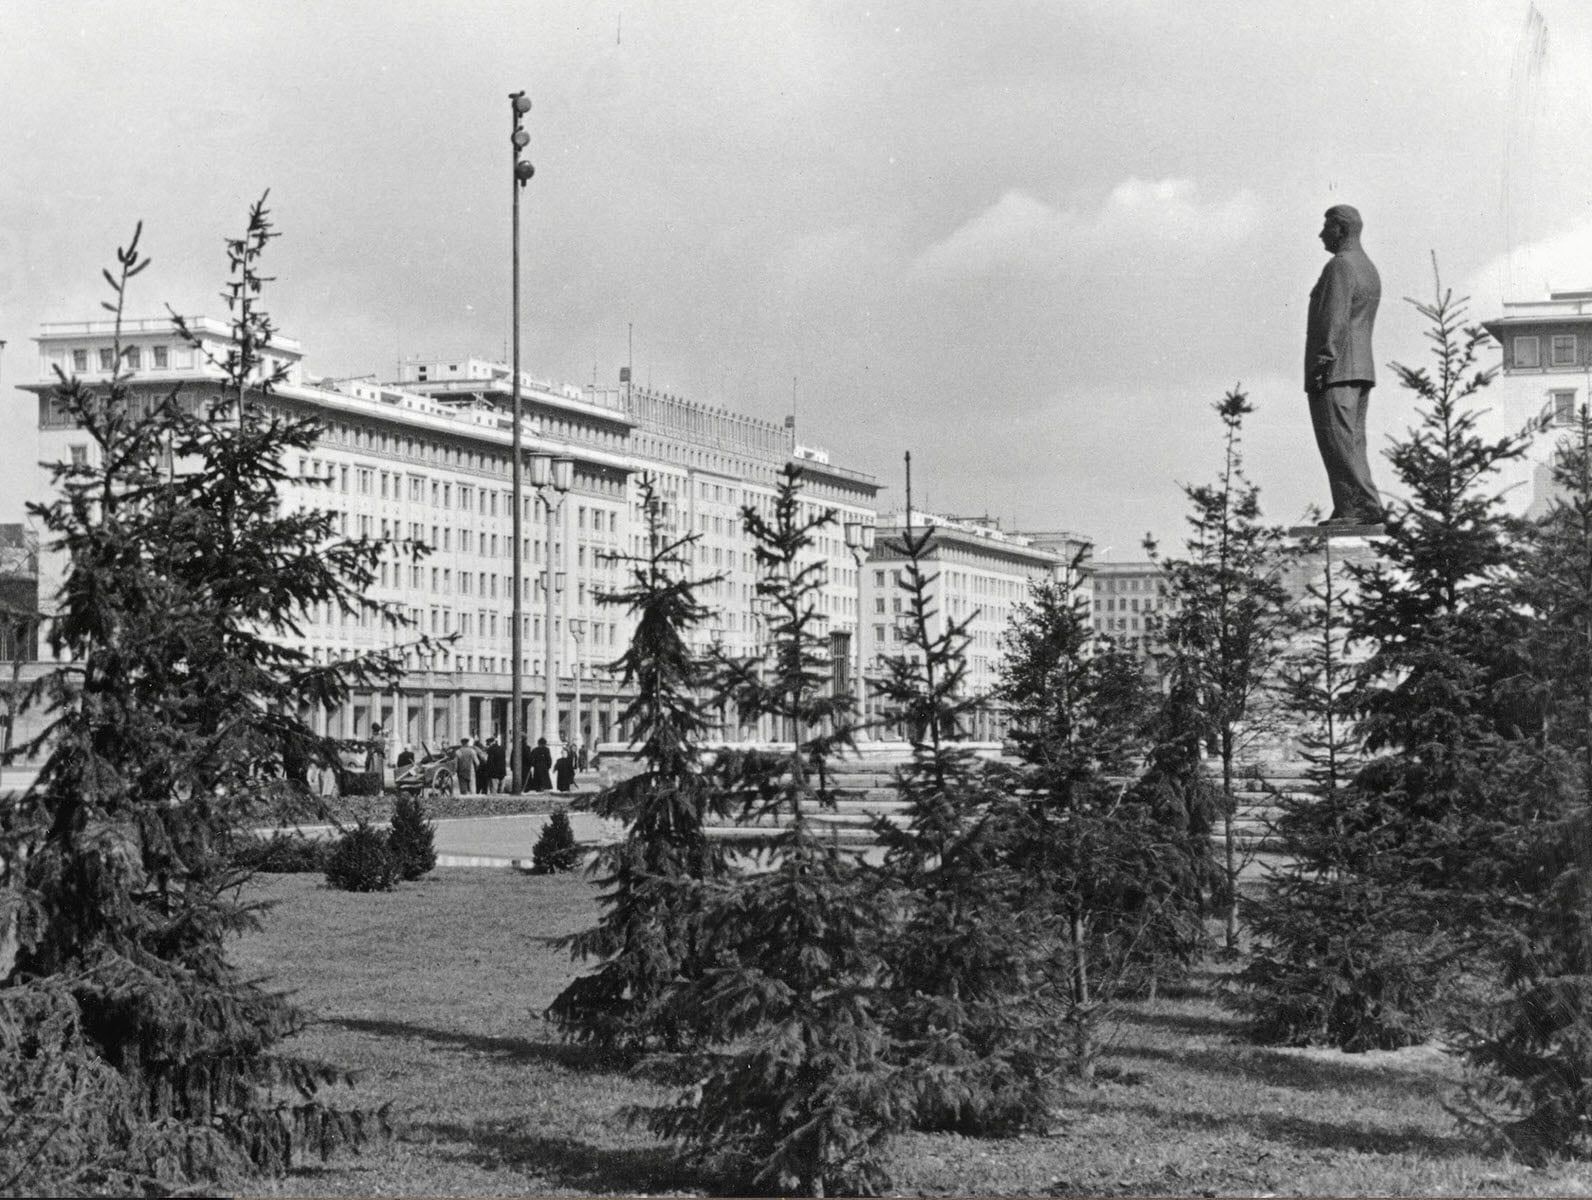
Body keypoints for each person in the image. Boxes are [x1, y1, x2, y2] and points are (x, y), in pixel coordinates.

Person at [1305, 203, 1384, 526]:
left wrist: (1323, 362)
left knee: (1338, 439)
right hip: (1358, 367)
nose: (1321, 233)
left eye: (1327, 227)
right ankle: (1349, 505)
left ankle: (1360, 506)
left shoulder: (1340, 266)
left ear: (1341, 229)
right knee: (1350, 439)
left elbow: (1333, 320)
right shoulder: (1367, 267)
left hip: (1337, 369)